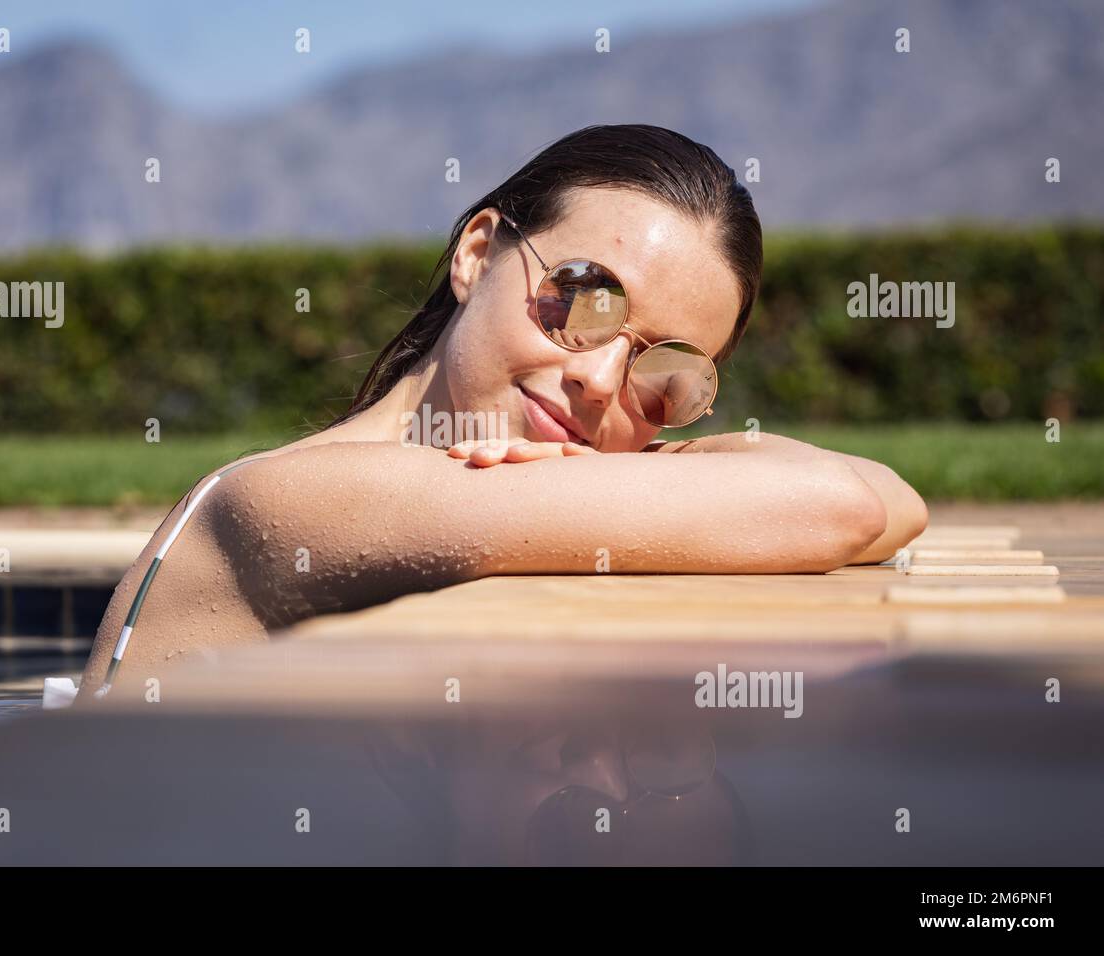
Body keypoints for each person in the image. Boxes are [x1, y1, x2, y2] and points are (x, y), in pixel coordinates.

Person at [79, 124, 927, 693]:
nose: (599, 381)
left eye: (667, 373)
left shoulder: (475, 491)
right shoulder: (291, 503)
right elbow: (847, 504)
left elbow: (892, 499)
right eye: (584, 297)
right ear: (477, 255)